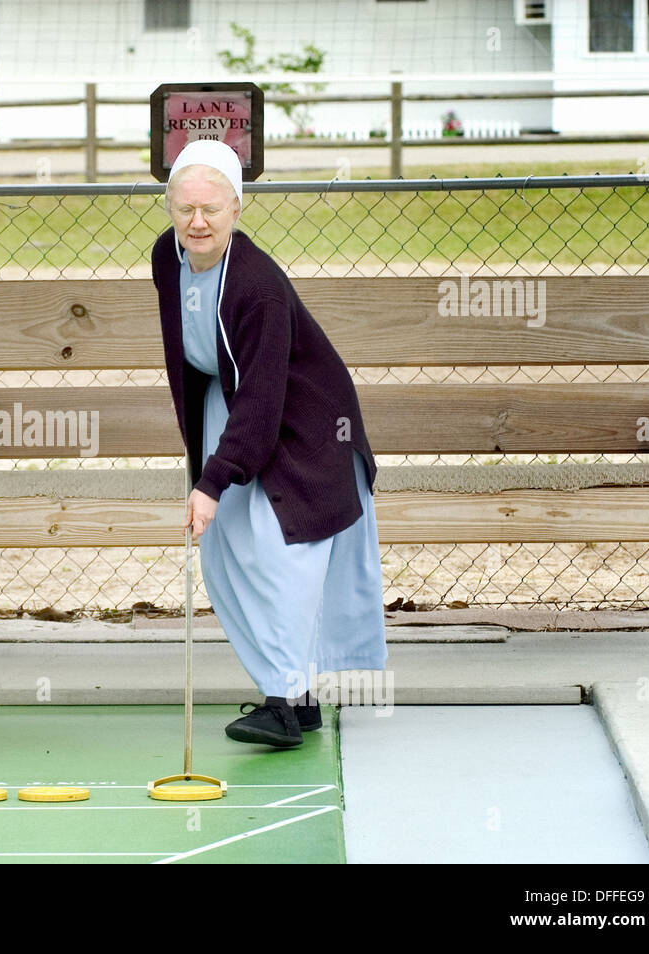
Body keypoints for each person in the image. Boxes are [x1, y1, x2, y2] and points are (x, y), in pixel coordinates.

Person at [151, 139, 387, 749]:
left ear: (237, 209)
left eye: (212, 209)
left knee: (284, 556)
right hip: (230, 407)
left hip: (305, 424)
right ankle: (294, 693)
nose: (197, 222)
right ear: (169, 207)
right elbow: (194, 357)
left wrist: (212, 479)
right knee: (227, 555)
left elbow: (263, 398)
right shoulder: (166, 258)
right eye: (184, 209)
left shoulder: (257, 287)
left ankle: (283, 704)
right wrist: (206, 462)